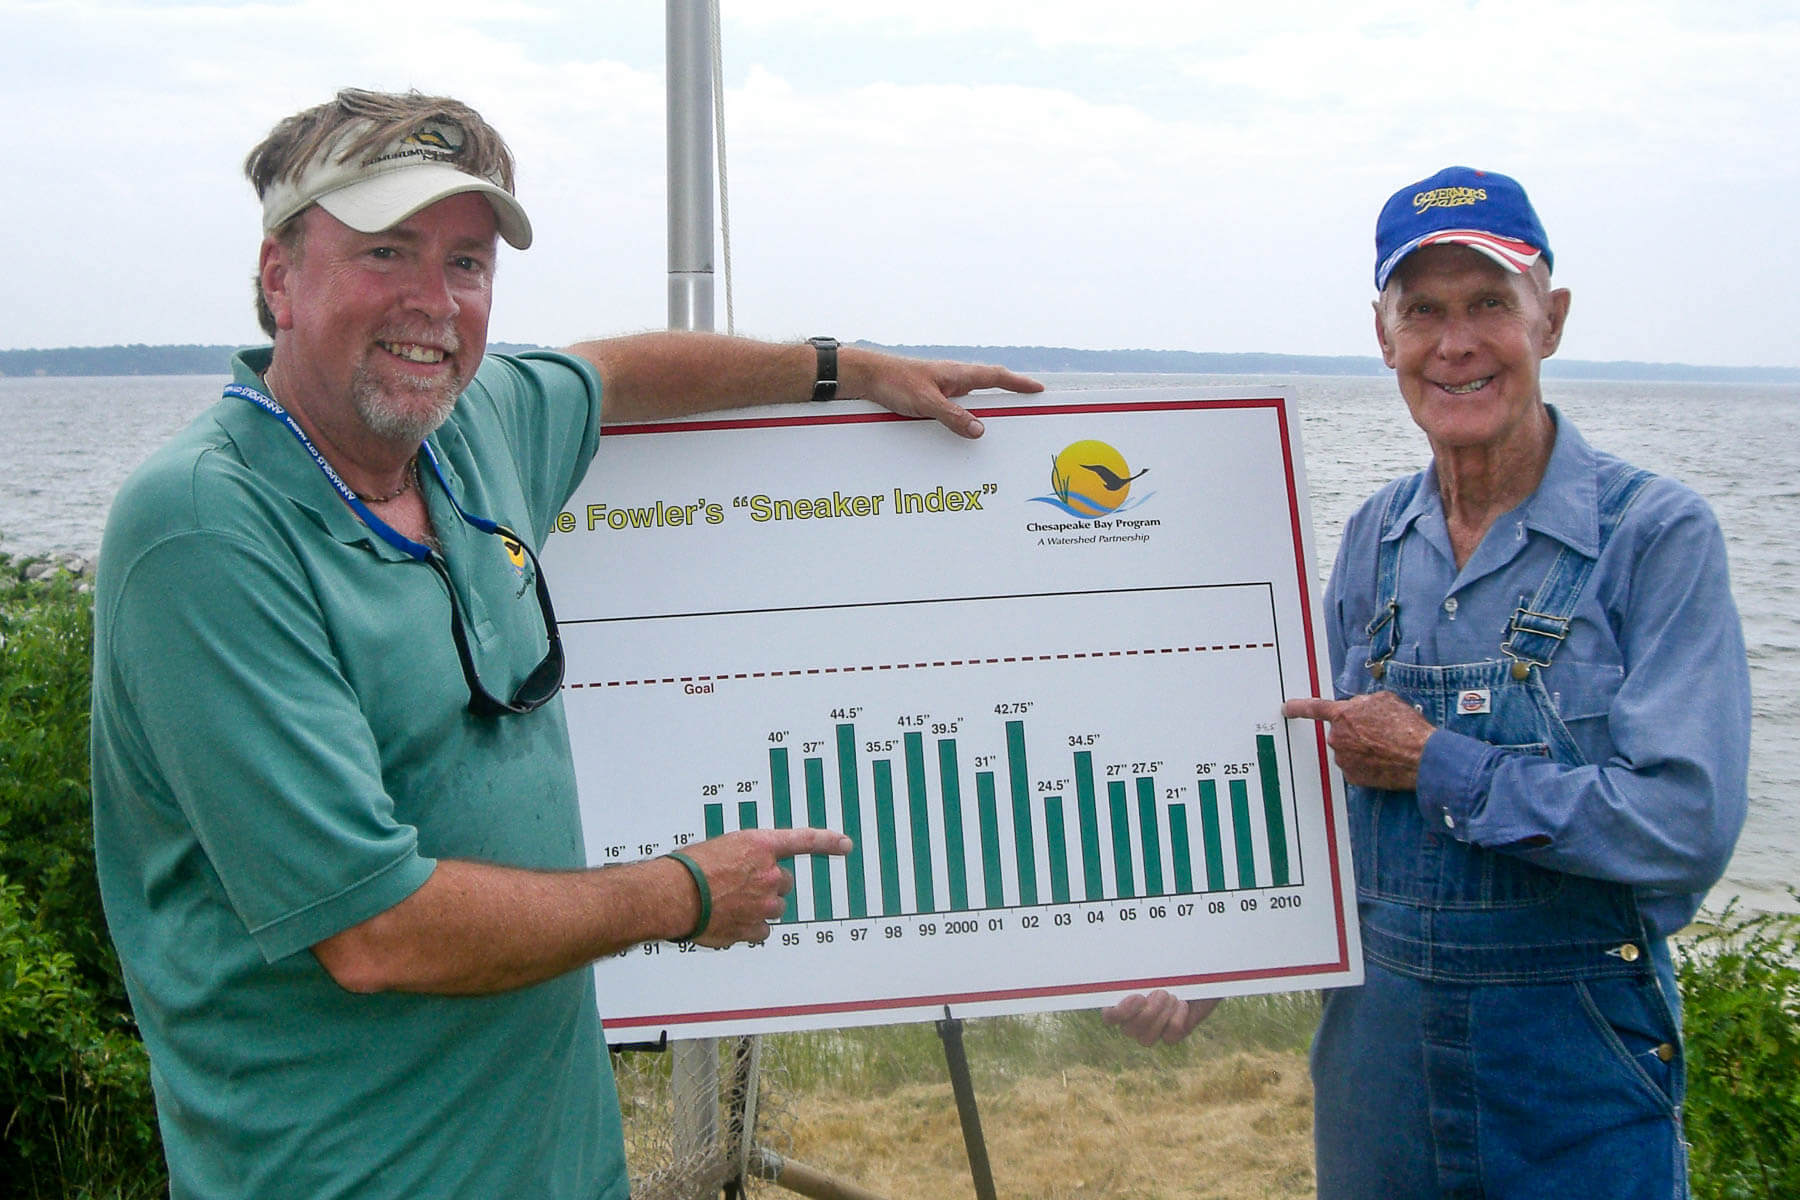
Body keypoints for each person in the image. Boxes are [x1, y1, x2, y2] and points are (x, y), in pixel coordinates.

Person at [89, 87, 1040, 1200]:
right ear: (278, 278)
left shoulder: (471, 433)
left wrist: (845, 369)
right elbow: (377, 931)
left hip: (557, 1161)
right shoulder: (205, 529)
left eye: (467, 263)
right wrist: (681, 894)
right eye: (386, 251)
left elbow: (612, 374)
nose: (432, 303)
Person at [1105, 166, 1749, 1197]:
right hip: (1377, 1065)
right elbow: (1312, 795)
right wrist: (1215, 968)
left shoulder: (1656, 537)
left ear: (1553, 321)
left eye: (1490, 303)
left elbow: (1682, 823)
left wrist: (1438, 763)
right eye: (1424, 312)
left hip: (1577, 1068)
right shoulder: (1372, 538)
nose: (1456, 344)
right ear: (1383, 335)